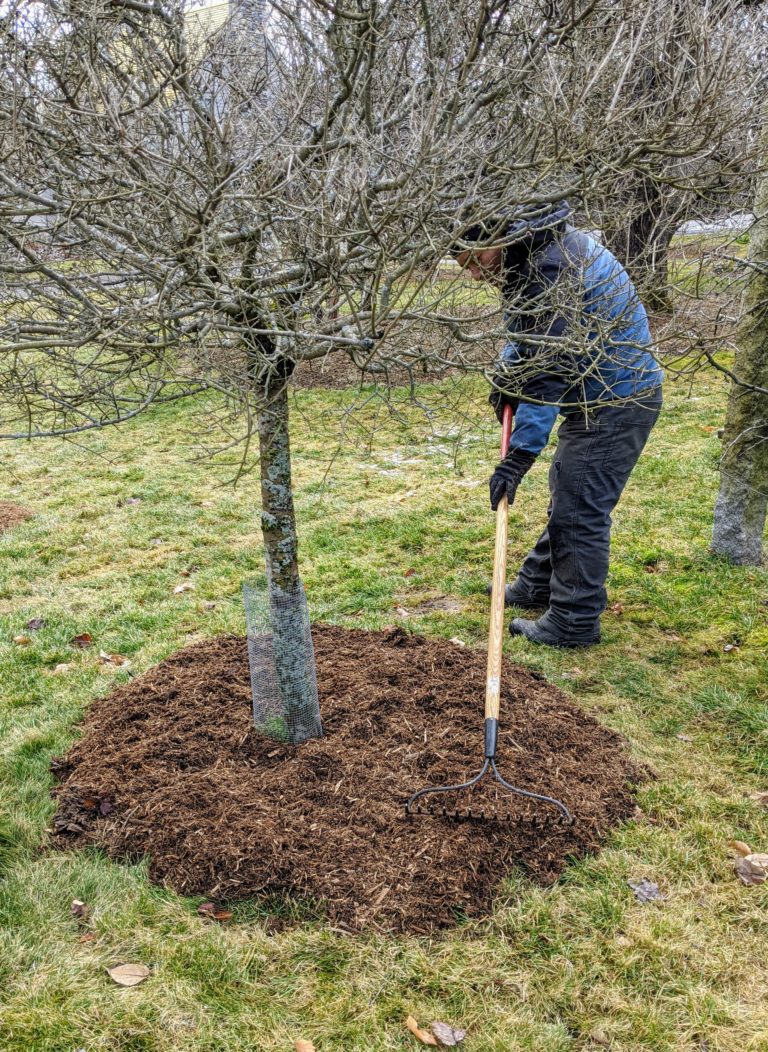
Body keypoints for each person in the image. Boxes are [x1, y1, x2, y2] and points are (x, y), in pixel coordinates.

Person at [454, 200, 663, 648]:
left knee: (579, 507)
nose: (474, 274)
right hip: (602, 392)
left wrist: (520, 455)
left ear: (499, 239)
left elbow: (549, 369)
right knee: (571, 489)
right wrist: (506, 377)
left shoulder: (551, 269)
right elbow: (527, 338)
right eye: (463, 265)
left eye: (475, 260)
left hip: (617, 398)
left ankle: (573, 620)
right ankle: (537, 584)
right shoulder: (534, 256)